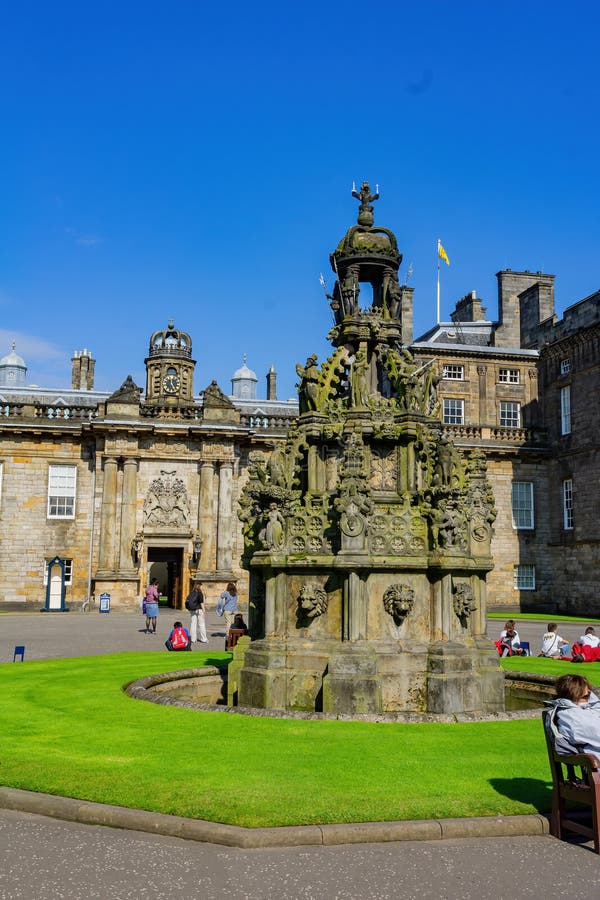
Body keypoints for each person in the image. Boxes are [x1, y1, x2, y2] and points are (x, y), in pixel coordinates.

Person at [549, 673, 600, 757]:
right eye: (586, 696)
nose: (589, 698)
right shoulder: (572, 717)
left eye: (589, 694)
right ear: (574, 696)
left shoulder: (583, 709)